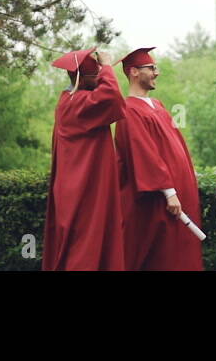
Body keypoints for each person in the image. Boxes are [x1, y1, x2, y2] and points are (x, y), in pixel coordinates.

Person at [115, 47, 203, 271]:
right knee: (163, 257)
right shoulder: (128, 110)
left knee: (182, 255)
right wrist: (169, 191)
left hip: (179, 196)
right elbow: (144, 154)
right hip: (159, 202)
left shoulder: (158, 106)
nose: (157, 72)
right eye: (151, 68)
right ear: (134, 72)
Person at [43, 48, 126, 271]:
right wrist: (107, 66)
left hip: (76, 188)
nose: (99, 80)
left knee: (84, 244)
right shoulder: (76, 104)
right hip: (81, 191)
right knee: (83, 248)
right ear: (81, 77)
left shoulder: (68, 102)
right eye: (95, 76)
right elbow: (112, 97)